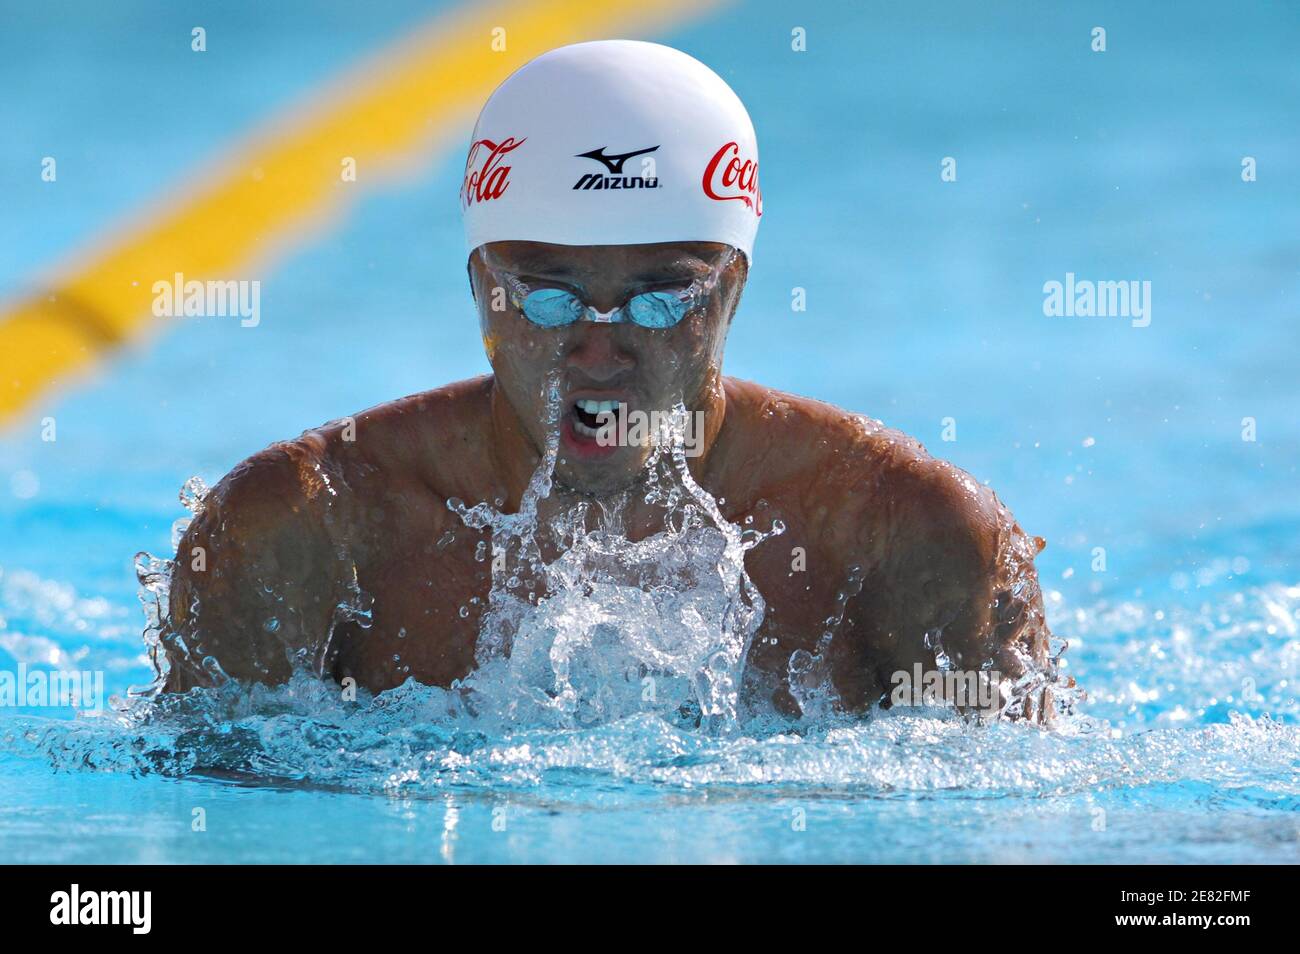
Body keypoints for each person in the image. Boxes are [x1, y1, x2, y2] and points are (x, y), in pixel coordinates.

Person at [160, 40, 1059, 720]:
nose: (599, 348)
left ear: (732, 289)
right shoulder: (306, 527)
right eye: (548, 301)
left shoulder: (907, 534)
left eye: (661, 298)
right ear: (481, 292)